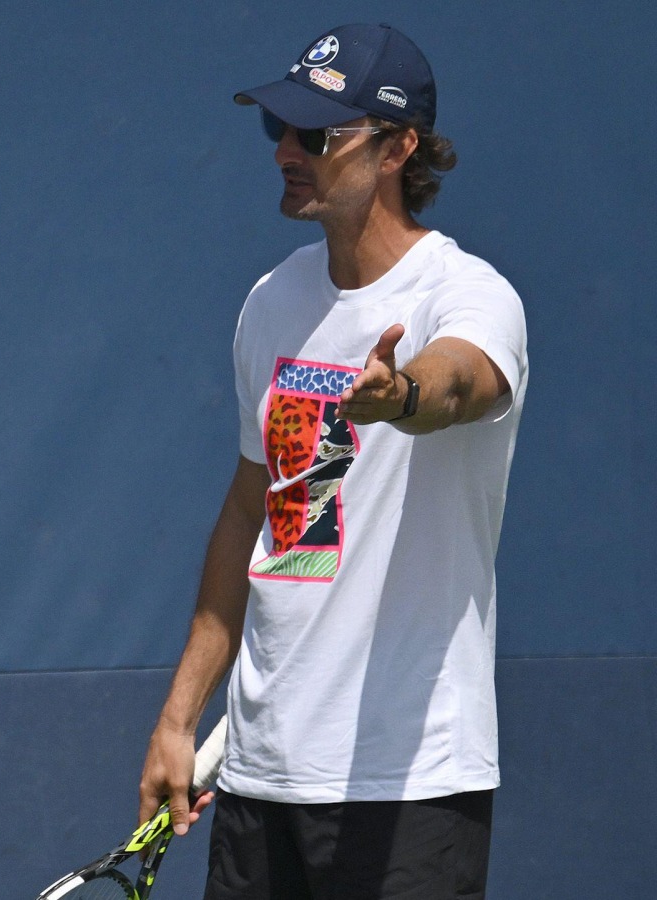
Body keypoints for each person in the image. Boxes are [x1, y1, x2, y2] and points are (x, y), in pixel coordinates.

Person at [136, 24, 527, 900]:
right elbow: (253, 515)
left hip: (409, 788)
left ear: (398, 148)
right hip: (258, 781)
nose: (286, 152)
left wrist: (404, 399)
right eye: (278, 129)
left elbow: (463, 378)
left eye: (316, 136)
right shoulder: (272, 303)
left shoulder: (467, 295)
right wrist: (178, 718)